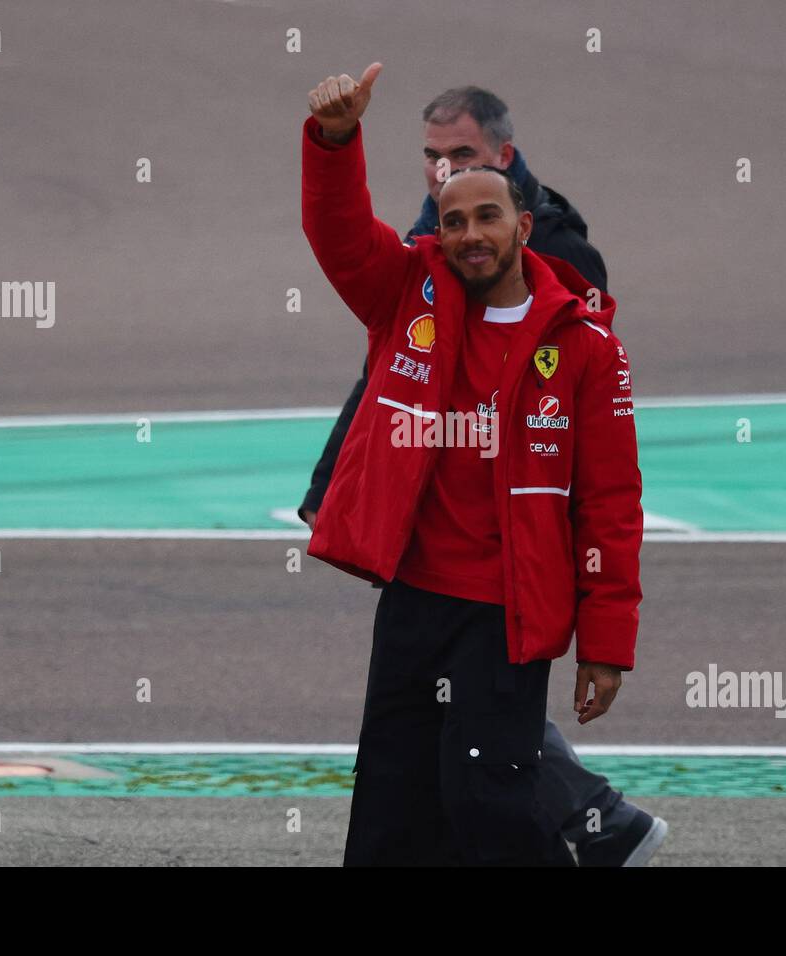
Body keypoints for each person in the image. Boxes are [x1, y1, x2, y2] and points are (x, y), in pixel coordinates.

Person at [300, 80, 665, 864]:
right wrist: (333, 141)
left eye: (487, 217)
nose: (469, 234)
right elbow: (336, 236)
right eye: (453, 219)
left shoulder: (586, 344)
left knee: (487, 803)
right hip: (413, 603)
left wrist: (608, 641)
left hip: (506, 617)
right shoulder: (407, 291)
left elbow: (611, 503)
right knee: (389, 812)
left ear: (523, 227)